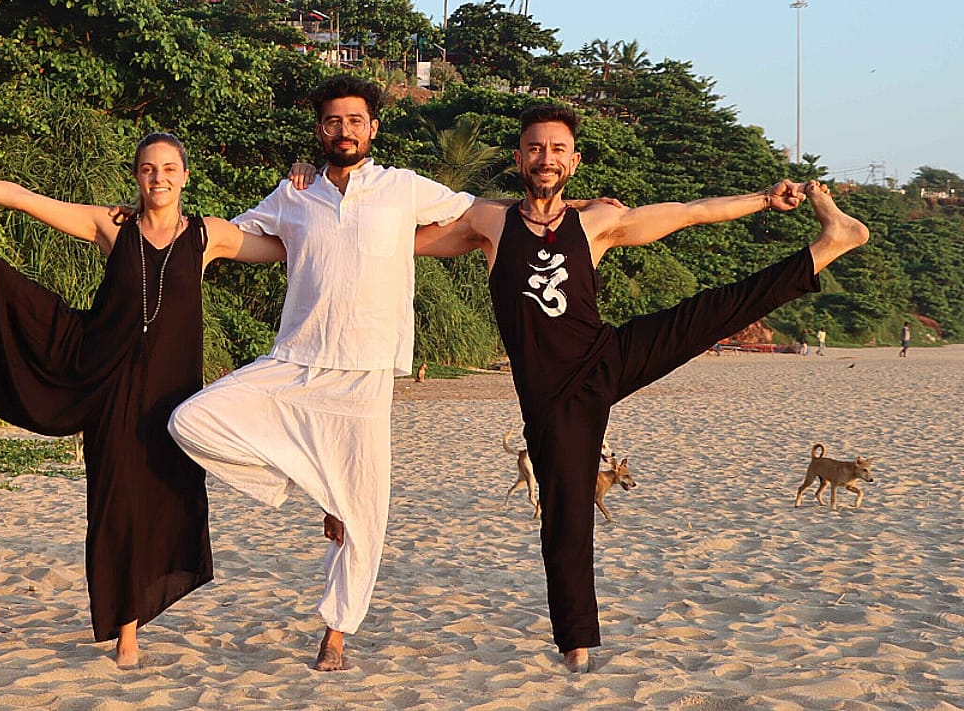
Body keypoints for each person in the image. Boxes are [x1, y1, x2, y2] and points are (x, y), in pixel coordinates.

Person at [415, 104, 869, 673]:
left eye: (558, 150)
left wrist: (761, 199)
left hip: (605, 358)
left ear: (573, 162)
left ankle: (830, 243)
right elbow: (390, 236)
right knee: (565, 510)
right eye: (536, 148)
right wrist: (317, 194)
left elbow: (686, 214)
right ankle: (576, 644)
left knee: (709, 313)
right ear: (518, 158)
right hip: (553, 398)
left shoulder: (597, 222)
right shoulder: (487, 222)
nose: (546, 159)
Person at [0, 134, 284, 668]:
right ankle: (127, 635)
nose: (158, 178)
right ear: (137, 175)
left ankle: (138, 615)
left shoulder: (209, 237)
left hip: (173, 398)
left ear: (185, 176)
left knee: (169, 502)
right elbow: (22, 198)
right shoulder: (112, 226)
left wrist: (305, 180)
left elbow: (291, 245)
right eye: (148, 168)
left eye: (169, 168)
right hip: (98, 372)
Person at [167, 74, 479, 671]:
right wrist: (161, 224)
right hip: (295, 358)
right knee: (192, 421)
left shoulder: (404, 188)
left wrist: (572, 211)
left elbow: (484, 216)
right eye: (333, 121)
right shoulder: (294, 192)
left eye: (355, 121)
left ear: (373, 129)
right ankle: (311, 487)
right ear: (320, 130)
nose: (345, 130)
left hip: (366, 370)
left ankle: (336, 632)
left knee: (365, 516)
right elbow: (235, 233)